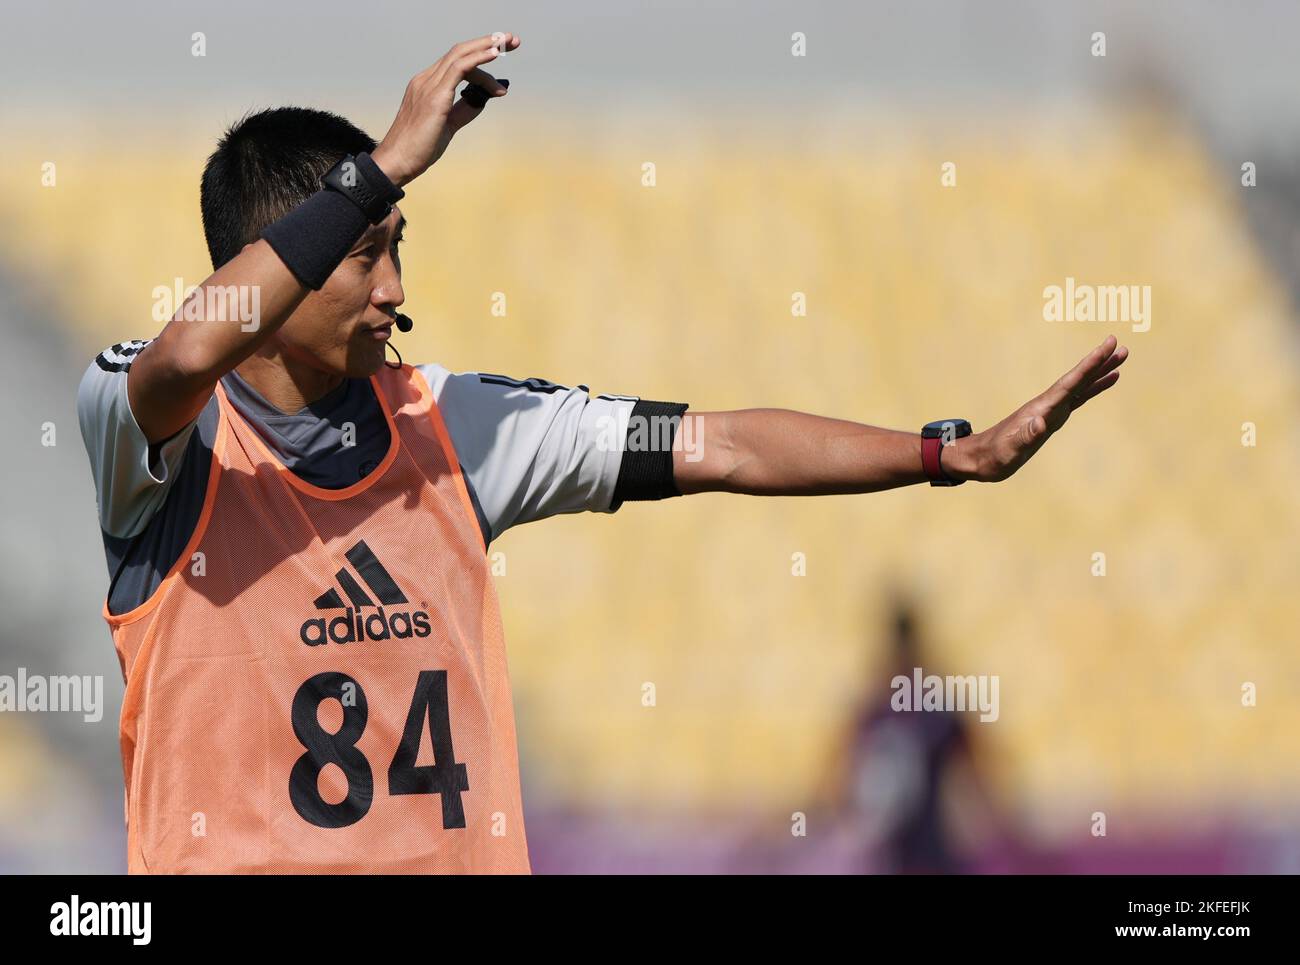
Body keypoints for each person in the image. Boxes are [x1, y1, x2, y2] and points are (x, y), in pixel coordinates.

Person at [76, 32, 1129, 873]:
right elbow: (190, 349)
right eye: (365, 254)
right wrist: (383, 165)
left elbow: (719, 444)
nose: (396, 289)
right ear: (286, 261)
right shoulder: (153, 431)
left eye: (399, 248)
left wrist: (948, 452)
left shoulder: (454, 427)